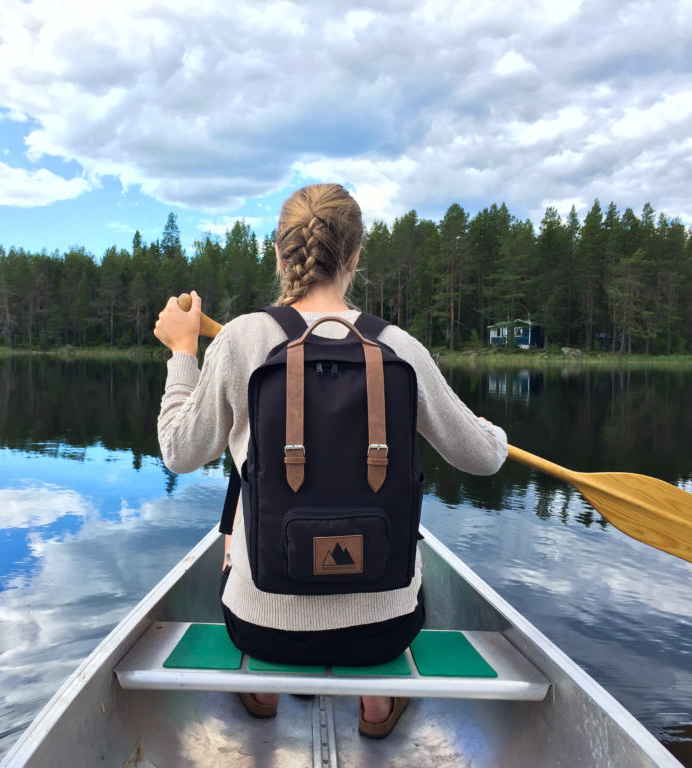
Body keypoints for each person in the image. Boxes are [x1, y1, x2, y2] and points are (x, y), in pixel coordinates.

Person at [154, 183, 507, 738]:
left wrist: (182, 354)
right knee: (405, 562)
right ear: (355, 256)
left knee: (237, 519)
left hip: (261, 627)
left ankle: (263, 692)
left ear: (279, 253)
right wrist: (494, 433)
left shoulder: (242, 339)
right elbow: (483, 458)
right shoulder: (402, 349)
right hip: (386, 630)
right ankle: (374, 705)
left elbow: (178, 451)